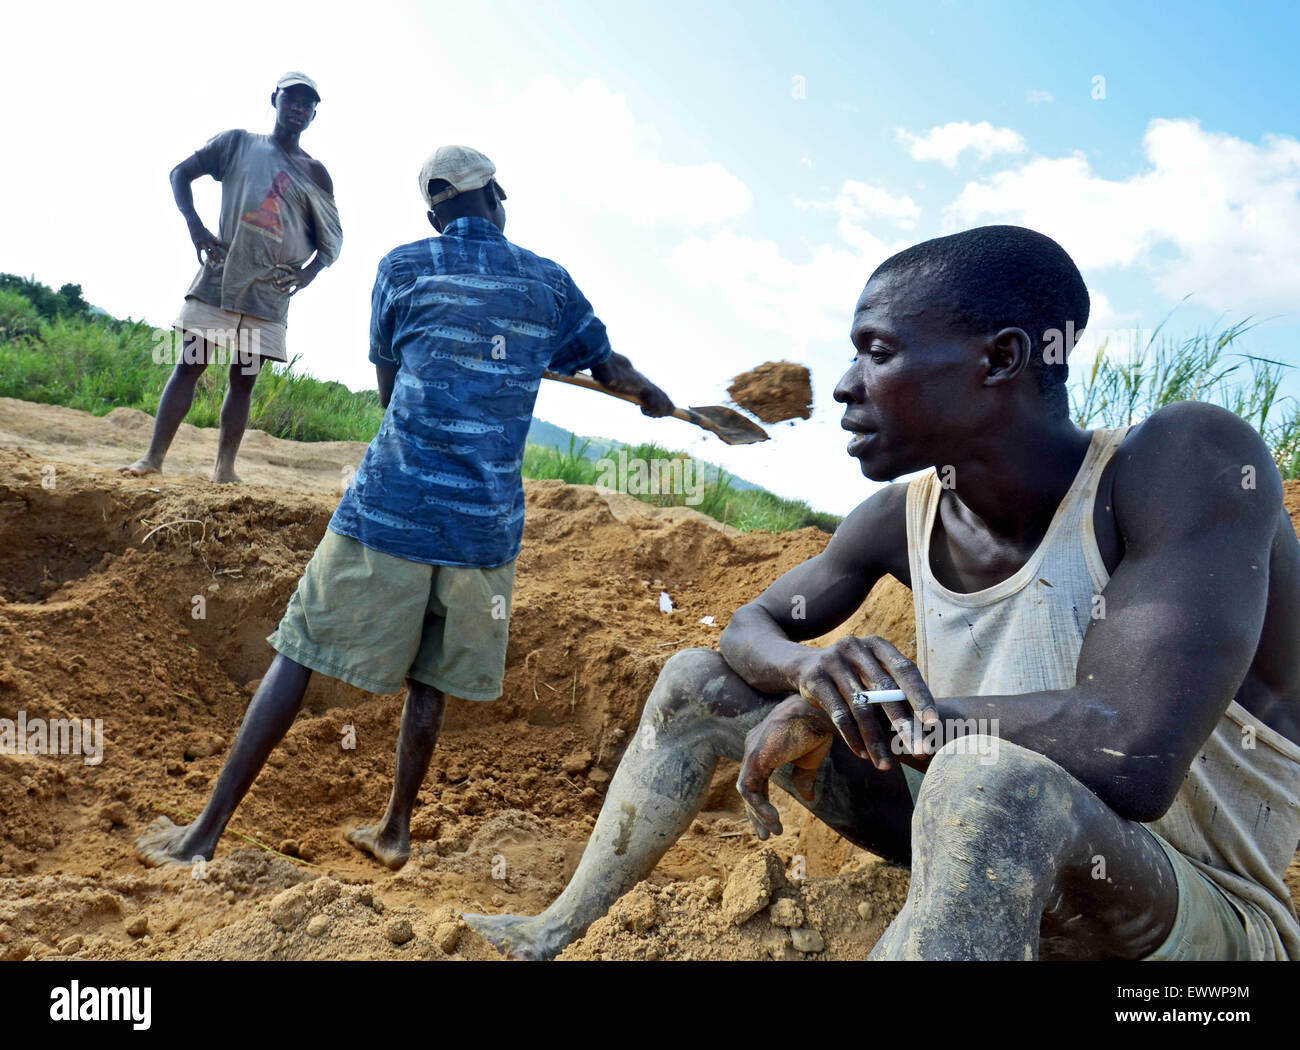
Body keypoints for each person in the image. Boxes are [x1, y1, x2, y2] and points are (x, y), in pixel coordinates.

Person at [465, 224, 1300, 961]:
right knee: (697, 685)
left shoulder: (1182, 464)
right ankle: (556, 933)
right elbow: (751, 626)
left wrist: (883, 712)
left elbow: (1131, 749)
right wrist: (807, 674)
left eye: (878, 350)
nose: (843, 385)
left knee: (987, 781)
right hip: (979, 835)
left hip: (1186, 916)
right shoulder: (902, 517)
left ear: (1002, 358)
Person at [135, 145, 674, 871]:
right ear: (497, 197)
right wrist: (652, 396)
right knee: (432, 677)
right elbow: (609, 368)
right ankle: (394, 830)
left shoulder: (402, 267)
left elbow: (392, 395)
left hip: (393, 504)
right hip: (482, 528)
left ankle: (202, 836)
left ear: (433, 212)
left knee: (298, 651)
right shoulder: (550, 286)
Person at [125, 72, 342, 484]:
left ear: (314, 114)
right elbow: (179, 174)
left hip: (268, 292)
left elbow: (332, 236)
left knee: (243, 380)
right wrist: (196, 227)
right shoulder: (238, 142)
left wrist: (309, 273)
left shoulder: (316, 173)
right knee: (189, 366)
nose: (298, 107)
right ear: (274, 99)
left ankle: (224, 469)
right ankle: (152, 458)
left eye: (306, 103)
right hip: (221, 276)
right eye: (291, 98)